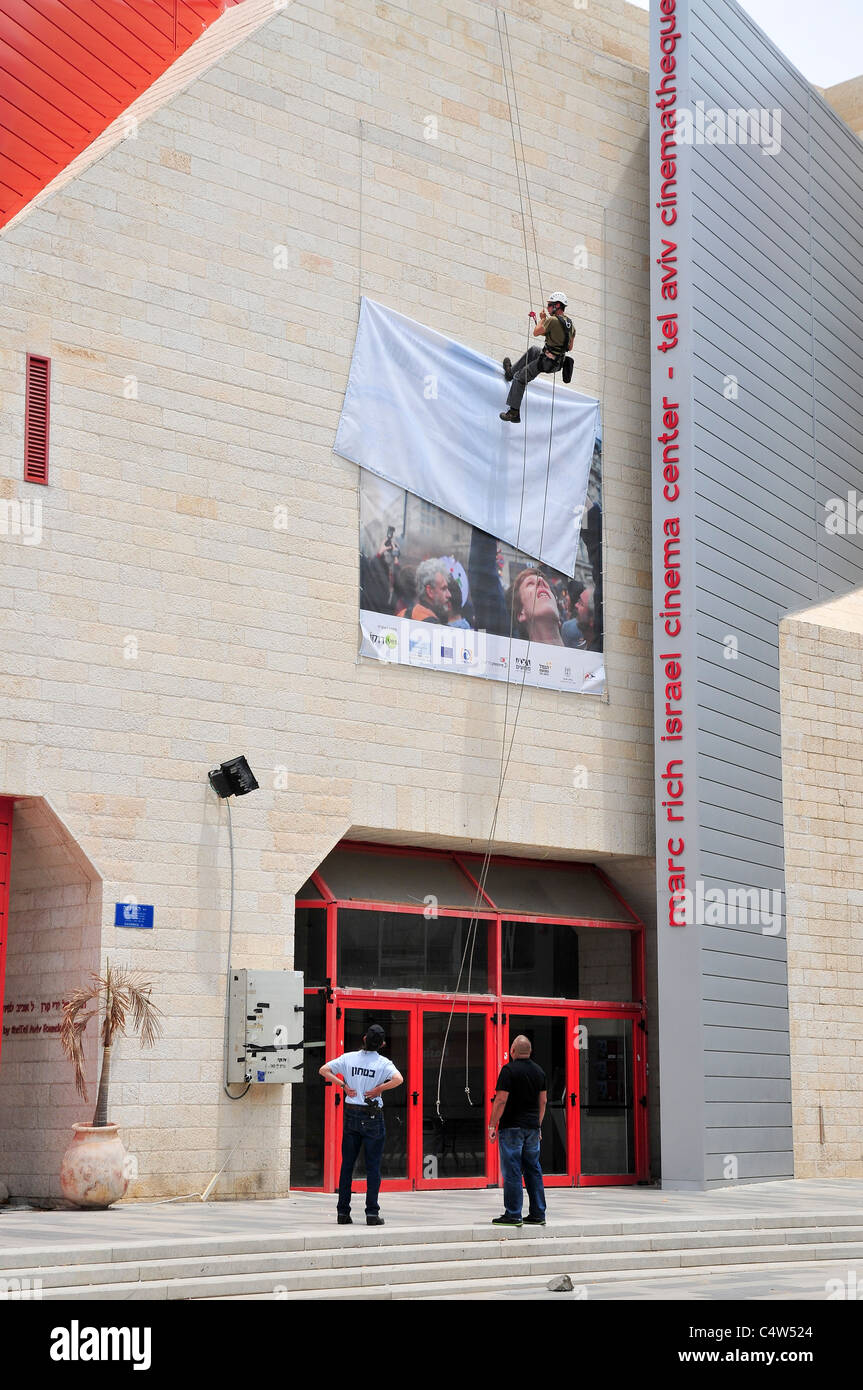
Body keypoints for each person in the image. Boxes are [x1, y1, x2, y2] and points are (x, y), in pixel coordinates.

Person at [319, 1024, 403, 1226]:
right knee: (373, 1167)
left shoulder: (348, 1058)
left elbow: (324, 1070)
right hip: (373, 1115)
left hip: (351, 1113)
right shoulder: (384, 1063)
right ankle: (372, 1213)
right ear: (382, 1044)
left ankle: (342, 1212)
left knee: (347, 1165)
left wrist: (344, 1086)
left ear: (364, 1038)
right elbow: (399, 1079)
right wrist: (379, 1089)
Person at [488, 1034, 548, 1228]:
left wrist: (492, 1124)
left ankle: (513, 1214)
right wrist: (537, 1125)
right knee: (533, 1170)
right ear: (530, 1051)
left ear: (512, 1051)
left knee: (512, 1170)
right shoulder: (539, 1071)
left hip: (512, 1127)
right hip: (532, 1128)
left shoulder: (508, 1070)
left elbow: (501, 1100)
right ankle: (538, 1213)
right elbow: (543, 1101)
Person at [500, 293, 575, 424]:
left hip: (546, 362)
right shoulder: (570, 324)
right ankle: (509, 373)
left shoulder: (552, 320)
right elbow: (570, 347)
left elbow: (536, 332)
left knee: (520, 378)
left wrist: (542, 319)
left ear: (557, 305)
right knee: (534, 350)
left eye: (549, 305)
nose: (547, 308)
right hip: (557, 363)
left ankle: (514, 413)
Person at [409, 557, 453, 623]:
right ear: (430, 591)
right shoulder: (433, 626)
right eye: (443, 589)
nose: (449, 595)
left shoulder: (403, 615)